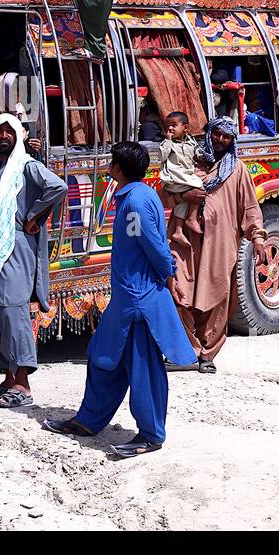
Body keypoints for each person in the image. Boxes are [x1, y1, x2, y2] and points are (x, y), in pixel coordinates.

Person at [42, 141, 196, 456]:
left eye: (111, 162)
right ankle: (88, 420)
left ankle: (151, 434)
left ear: (117, 168)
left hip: (138, 301)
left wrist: (169, 273)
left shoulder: (135, 203)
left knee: (143, 368)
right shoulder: (142, 193)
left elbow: (153, 244)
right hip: (126, 298)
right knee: (103, 359)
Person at [0, 113, 66, 407]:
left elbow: (57, 187)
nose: (3, 137)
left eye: (9, 132)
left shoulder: (27, 167)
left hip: (14, 253)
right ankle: (9, 380)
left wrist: (34, 216)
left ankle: (23, 386)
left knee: (13, 314)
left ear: (19, 136)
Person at [169, 117, 269, 372]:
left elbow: (249, 207)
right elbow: (165, 196)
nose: (221, 140)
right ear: (209, 133)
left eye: (227, 136)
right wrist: (184, 196)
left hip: (220, 244)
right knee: (178, 291)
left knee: (216, 297)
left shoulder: (237, 170)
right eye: (217, 134)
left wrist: (257, 238)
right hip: (185, 243)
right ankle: (187, 351)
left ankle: (207, 355)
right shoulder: (189, 161)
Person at [157, 111, 207, 239]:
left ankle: (178, 230)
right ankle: (191, 218)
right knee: (199, 188)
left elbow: (197, 155)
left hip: (186, 178)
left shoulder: (191, 142)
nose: (170, 128)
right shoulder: (168, 143)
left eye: (174, 125)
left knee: (184, 201)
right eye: (168, 125)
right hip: (175, 179)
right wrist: (167, 140)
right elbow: (162, 156)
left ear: (185, 128)